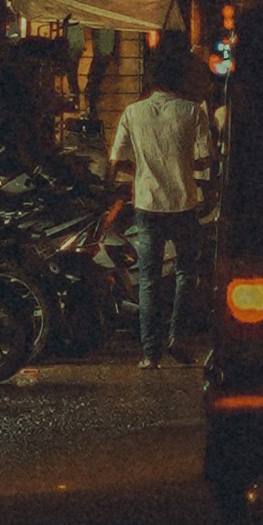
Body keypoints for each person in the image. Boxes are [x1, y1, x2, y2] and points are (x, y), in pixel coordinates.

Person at [109, 38, 215, 362]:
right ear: (180, 79)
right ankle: (178, 340)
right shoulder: (192, 112)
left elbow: (118, 160)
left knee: (149, 279)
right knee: (186, 273)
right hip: (183, 203)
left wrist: (143, 165)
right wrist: (180, 161)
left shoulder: (132, 112)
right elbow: (206, 159)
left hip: (147, 204)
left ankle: (150, 354)